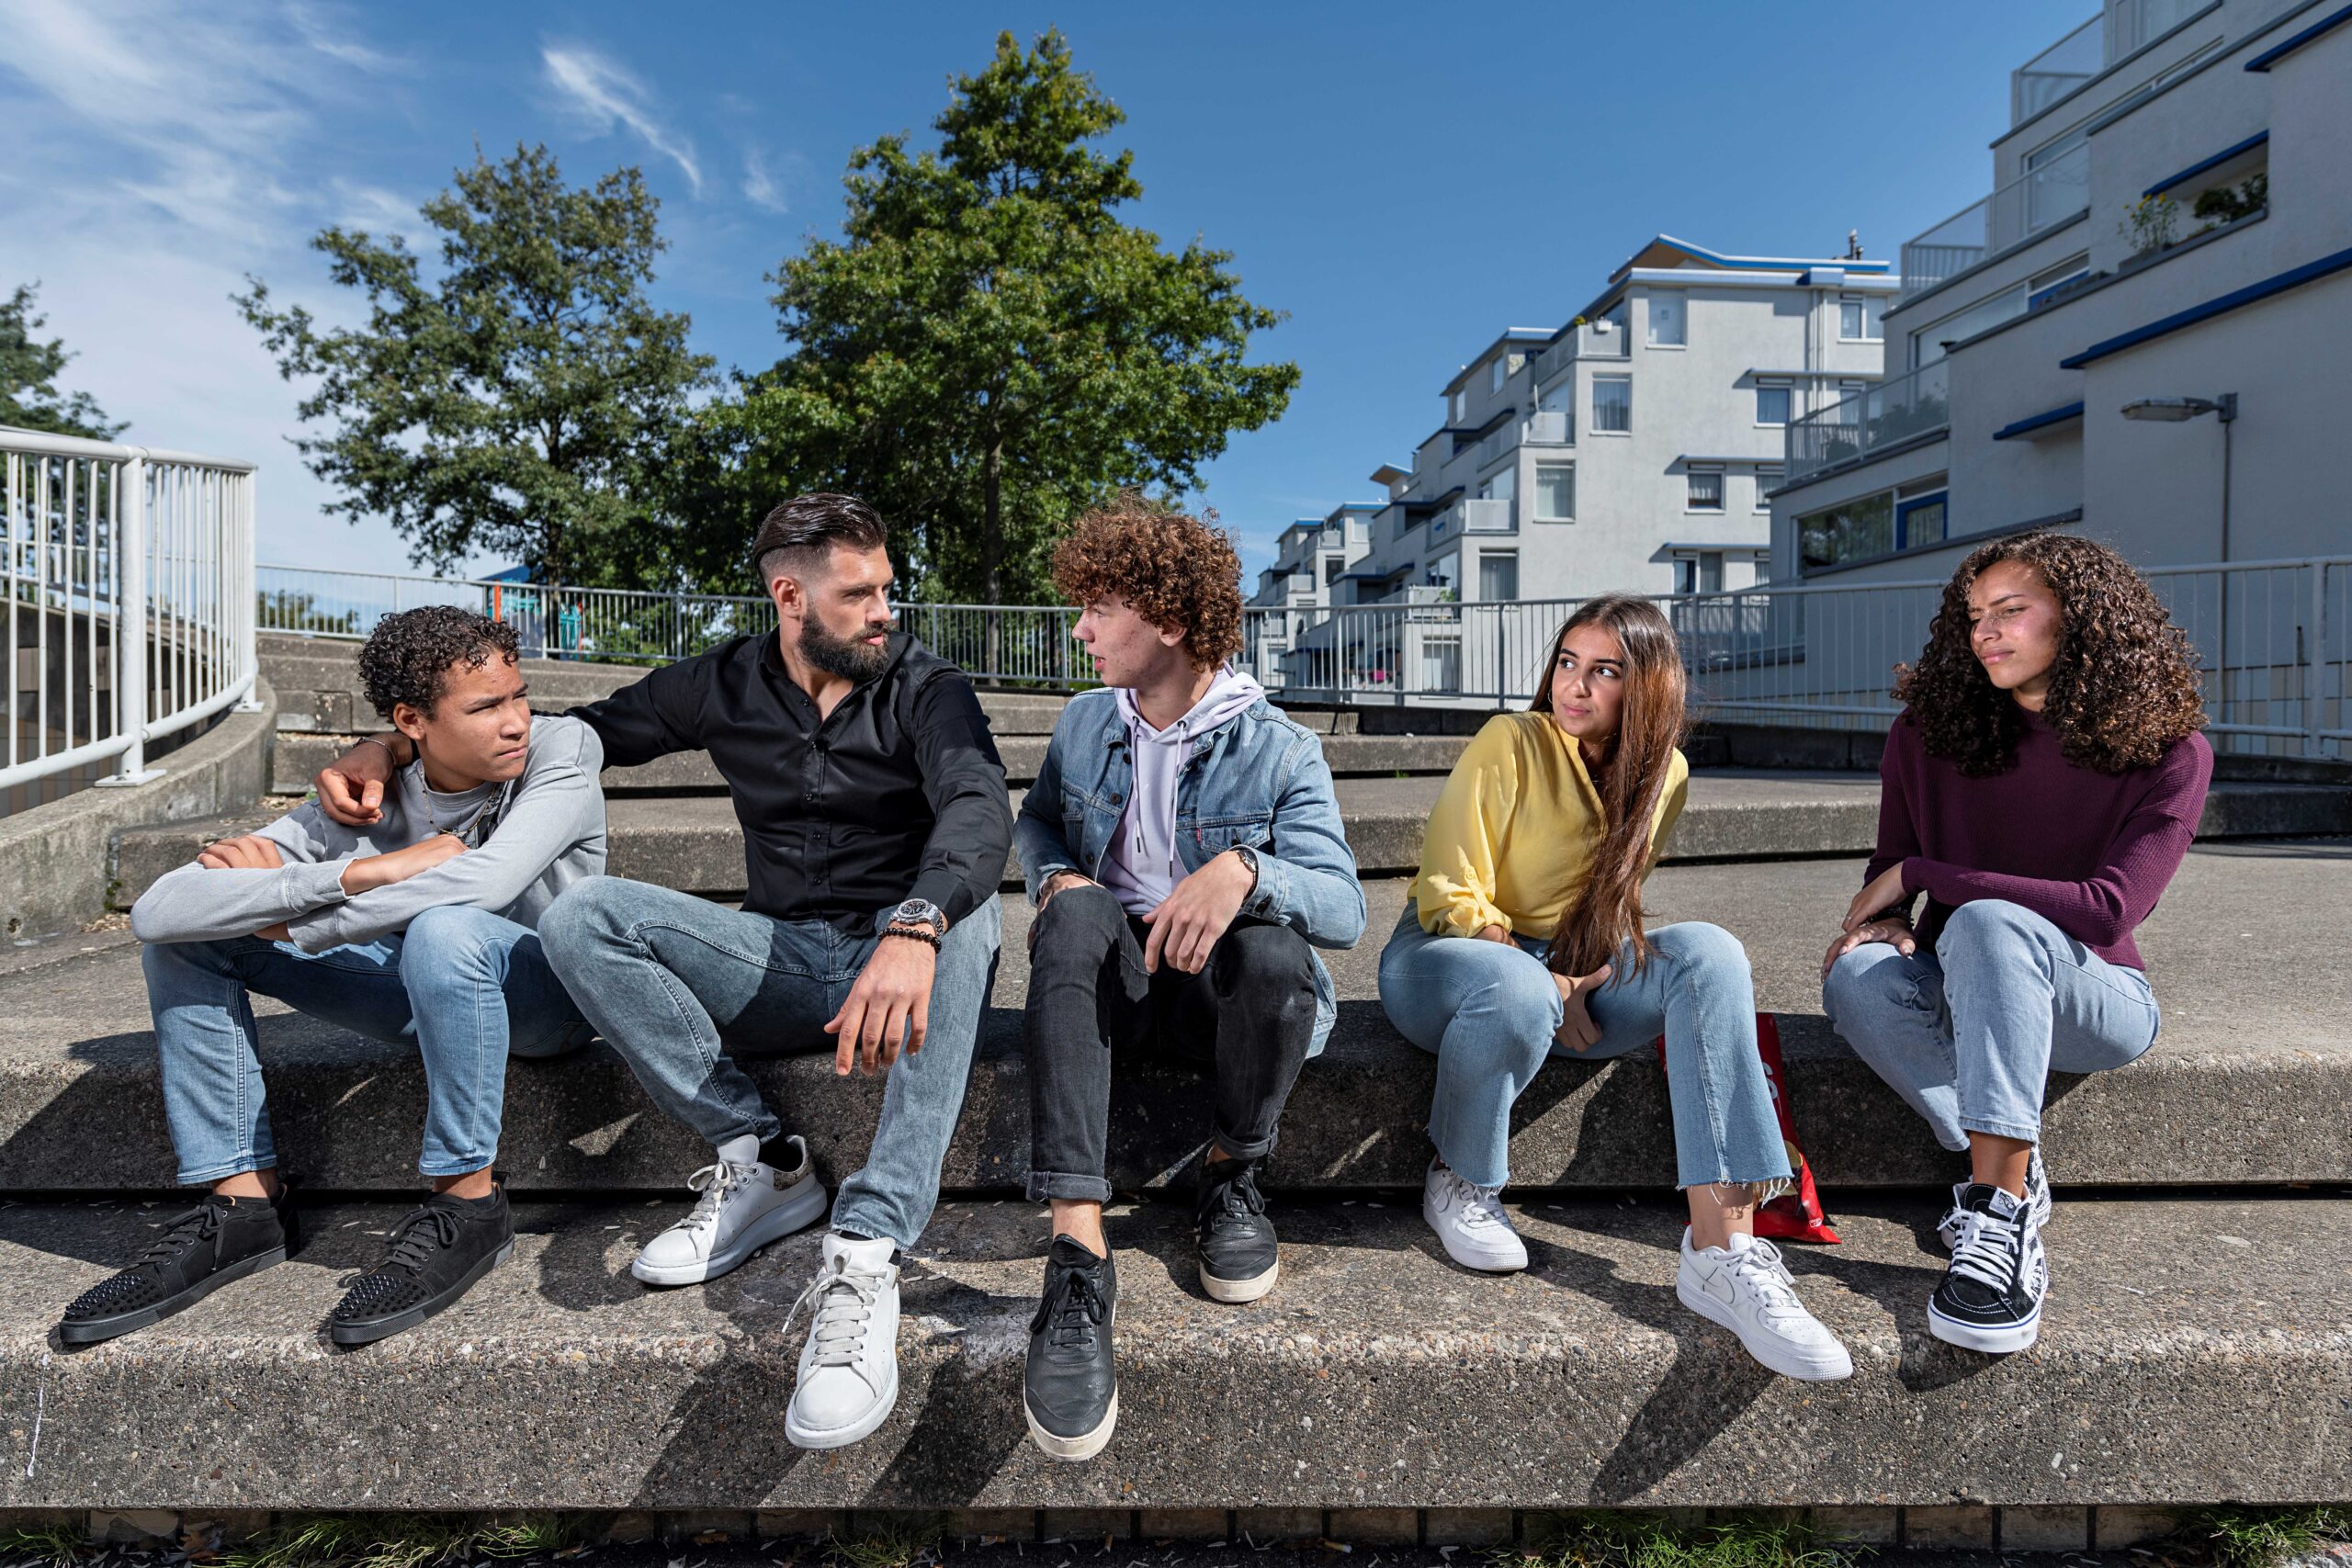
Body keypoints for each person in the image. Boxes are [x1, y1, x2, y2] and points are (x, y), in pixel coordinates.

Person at [311, 494, 1011, 1450]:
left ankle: (867, 1244)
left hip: (903, 960)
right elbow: (572, 733)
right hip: (778, 962)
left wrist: (915, 925)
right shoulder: (722, 682)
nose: (885, 610)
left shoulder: (929, 688)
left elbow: (977, 804)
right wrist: (394, 744)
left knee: (968, 912)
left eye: (887, 588)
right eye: (859, 594)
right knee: (582, 913)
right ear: (789, 597)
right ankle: (762, 1157)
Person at [63, 607, 605, 1348]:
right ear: (411, 720)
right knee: (187, 942)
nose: (516, 721)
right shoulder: (359, 801)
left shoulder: (562, 749)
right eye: (485, 707)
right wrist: (354, 872)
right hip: (426, 990)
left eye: (519, 695)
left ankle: (468, 1203)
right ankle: (244, 1206)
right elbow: (158, 911)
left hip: (551, 998)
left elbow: (487, 882)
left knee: (445, 928)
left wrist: (300, 922)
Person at [1377, 593, 1851, 1382]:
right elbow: (1449, 892)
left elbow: (1611, 900)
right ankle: (1462, 1177)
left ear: (1647, 687)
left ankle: (1723, 1249)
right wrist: (1543, 977)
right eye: (1568, 662)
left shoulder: (1667, 774)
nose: (1575, 684)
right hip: (1448, 958)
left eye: (1604, 670)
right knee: (1519, 988)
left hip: (1571, 970)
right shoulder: (1512, 740)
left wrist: (1574, 974)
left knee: (1710, 953)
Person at [1012, 500, 1365, 1461]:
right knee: (1073, 915)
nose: (1079, 630)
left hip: (1219, 1005)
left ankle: (1233, 1171)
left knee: (1278, 953)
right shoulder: (1086, 723)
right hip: (1117, 991)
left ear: (1168, 620)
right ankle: (1077, 1250)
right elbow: (1037, 821)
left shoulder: (1280, 748)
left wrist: (1247, 869)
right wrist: (1057, 876)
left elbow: (1344, 907)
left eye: (1100, 609)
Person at [1822, 533, 2211, 1354]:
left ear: (2080, 618)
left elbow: (2108, 911)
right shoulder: (1924, 735)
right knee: (1856, 977)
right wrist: (1890, 920)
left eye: (2010, 610)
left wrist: (1927, 876)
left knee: (1989, 921)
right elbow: (1890, 868)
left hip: (2094, 995)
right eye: (1974, 616)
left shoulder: (2170, 753)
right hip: (1959, 979)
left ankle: (1997, 1216)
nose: (1985, 633)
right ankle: (2011, 1166)